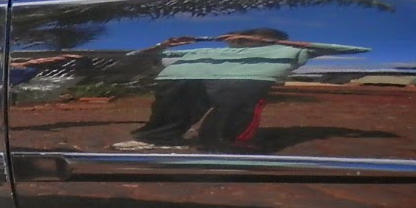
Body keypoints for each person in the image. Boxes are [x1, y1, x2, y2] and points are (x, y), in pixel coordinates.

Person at [113, 29, 368, 151]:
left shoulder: (290, 49)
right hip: (186, 80)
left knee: (233, 105)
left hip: (244, 82)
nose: (235, 39)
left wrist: (281, 42)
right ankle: (160, 139)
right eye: (237, 36)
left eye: (246, 36)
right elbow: (133, 58)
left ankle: (222, 144)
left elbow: (354, 49)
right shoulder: (205, 49)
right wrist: (163, 44)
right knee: (175, 97)